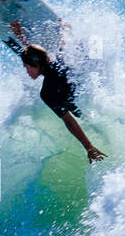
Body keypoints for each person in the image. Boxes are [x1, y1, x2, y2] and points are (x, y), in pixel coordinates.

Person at [10, 20, 106, 164]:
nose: (26, 71)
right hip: (86, 87)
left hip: (77, 106)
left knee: (85, 117)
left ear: (36, 65)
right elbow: (44, 54)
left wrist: (88, 147)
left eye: (26, 67)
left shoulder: (47, 93)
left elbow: (69, 121)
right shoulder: (60, 62)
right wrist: (63, 31)